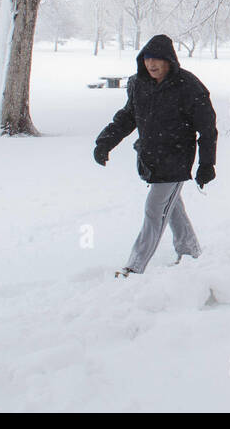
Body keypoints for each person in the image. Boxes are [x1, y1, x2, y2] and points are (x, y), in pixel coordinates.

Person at [93, 34, 217, 278]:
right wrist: (105, 142)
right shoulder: (140, 84)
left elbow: (207, 127)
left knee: (155, 209)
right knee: (171, 207)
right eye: (148, 59)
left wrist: (206, 164)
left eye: (158, 59)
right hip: (151, 158)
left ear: (169, 61)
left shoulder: (188, 85)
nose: (152, 64)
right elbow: (128, 117)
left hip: (176, 159)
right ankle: (190, 252)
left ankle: (134, 266)